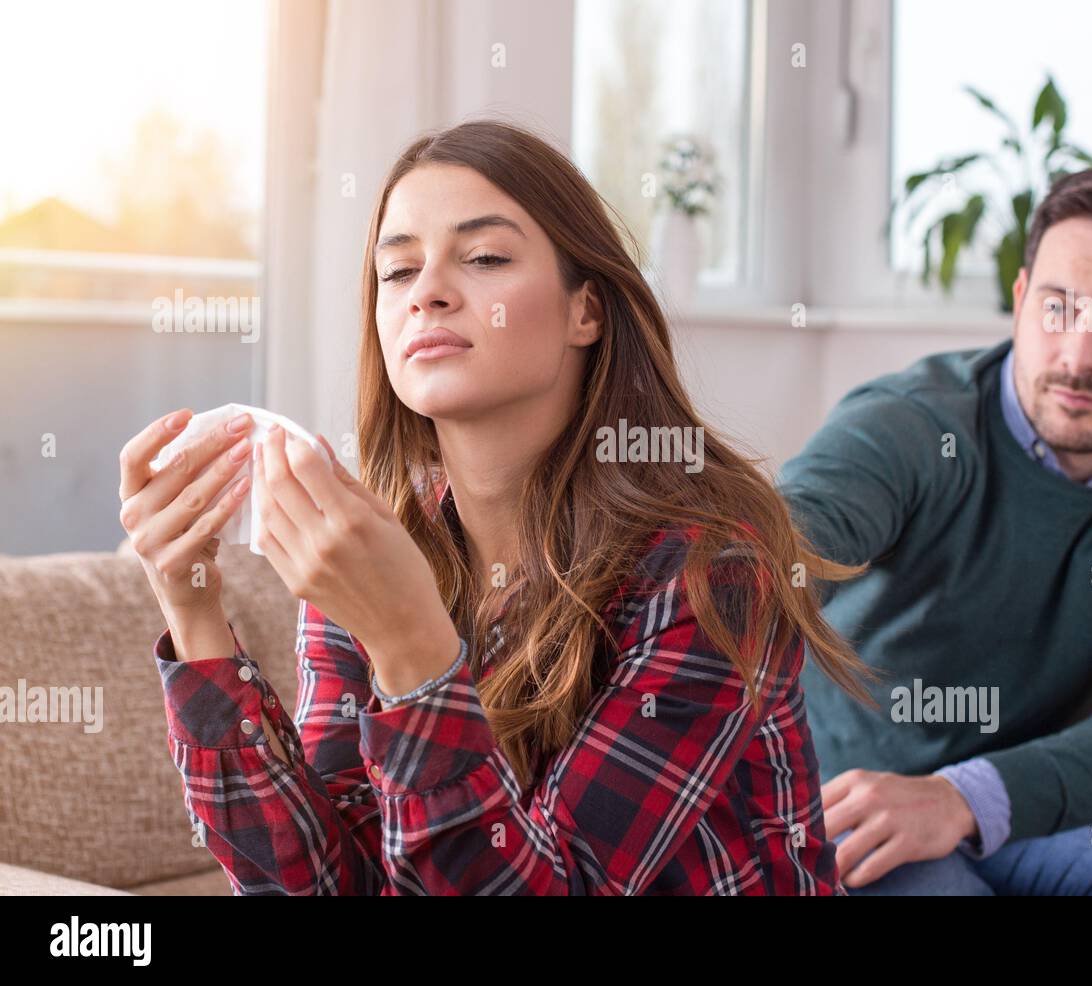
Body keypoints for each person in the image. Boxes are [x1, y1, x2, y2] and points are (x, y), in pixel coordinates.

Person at [117, 119, 876, 895]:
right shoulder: (383, 544)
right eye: (398, 270)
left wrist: (409, 642)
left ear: (586, 312)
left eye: (483, 258)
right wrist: (195, 613)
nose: (429, 294)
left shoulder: (714, 567)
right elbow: (319, 885)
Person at [778, 166, 1092, 895]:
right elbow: (786, 538)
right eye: (1058, 307)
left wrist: (965, 797)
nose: (1077, 356)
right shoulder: (915, 422)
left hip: (1044, 801)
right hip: (858, 800)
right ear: (1019, 302)